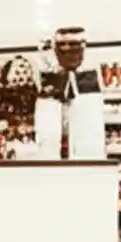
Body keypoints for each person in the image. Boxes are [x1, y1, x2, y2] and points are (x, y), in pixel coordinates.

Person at [34, 26, 105, 159]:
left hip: (86, 154)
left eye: (73, 46)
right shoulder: (50, 78)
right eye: (62, 46)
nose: (68, 52)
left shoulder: (88, 81)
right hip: (57, 155)